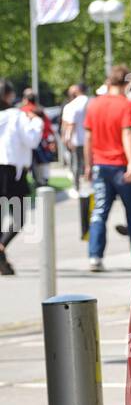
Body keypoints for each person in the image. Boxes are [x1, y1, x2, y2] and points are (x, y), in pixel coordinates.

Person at [83, 64, 131, 272]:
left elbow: (88, 137)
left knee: (99, 212)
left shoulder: (94, 105)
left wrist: (88, 164)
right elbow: (127, 134)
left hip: (99, 165)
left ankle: (95, 257)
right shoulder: (126, 105)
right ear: (126, 83)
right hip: (120, 166)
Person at [0, 79, 44, 275]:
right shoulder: (17, 116)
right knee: (18, 217)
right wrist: (37, 121)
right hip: (11, 170)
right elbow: (32, 140)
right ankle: (1, 248)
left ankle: (2, 257)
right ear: (9, 96)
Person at [19, 87, 57, 186]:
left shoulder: (22, 111)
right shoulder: (40, 110)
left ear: (25, 99)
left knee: (30, 164)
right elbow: (48, 128)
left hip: (27, 142)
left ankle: (37, 182)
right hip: (41, 141)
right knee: (42, 163)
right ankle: (43, 181)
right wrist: (51, 141)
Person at [61, 82, 89, 196]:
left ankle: (77, 187)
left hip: (78, 140)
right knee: (88, 164)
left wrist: (67, 138)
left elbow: (70, 124)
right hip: (90, 140)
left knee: (77, 164)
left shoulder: (73, 105)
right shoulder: (91, 101)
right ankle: (89, 185)